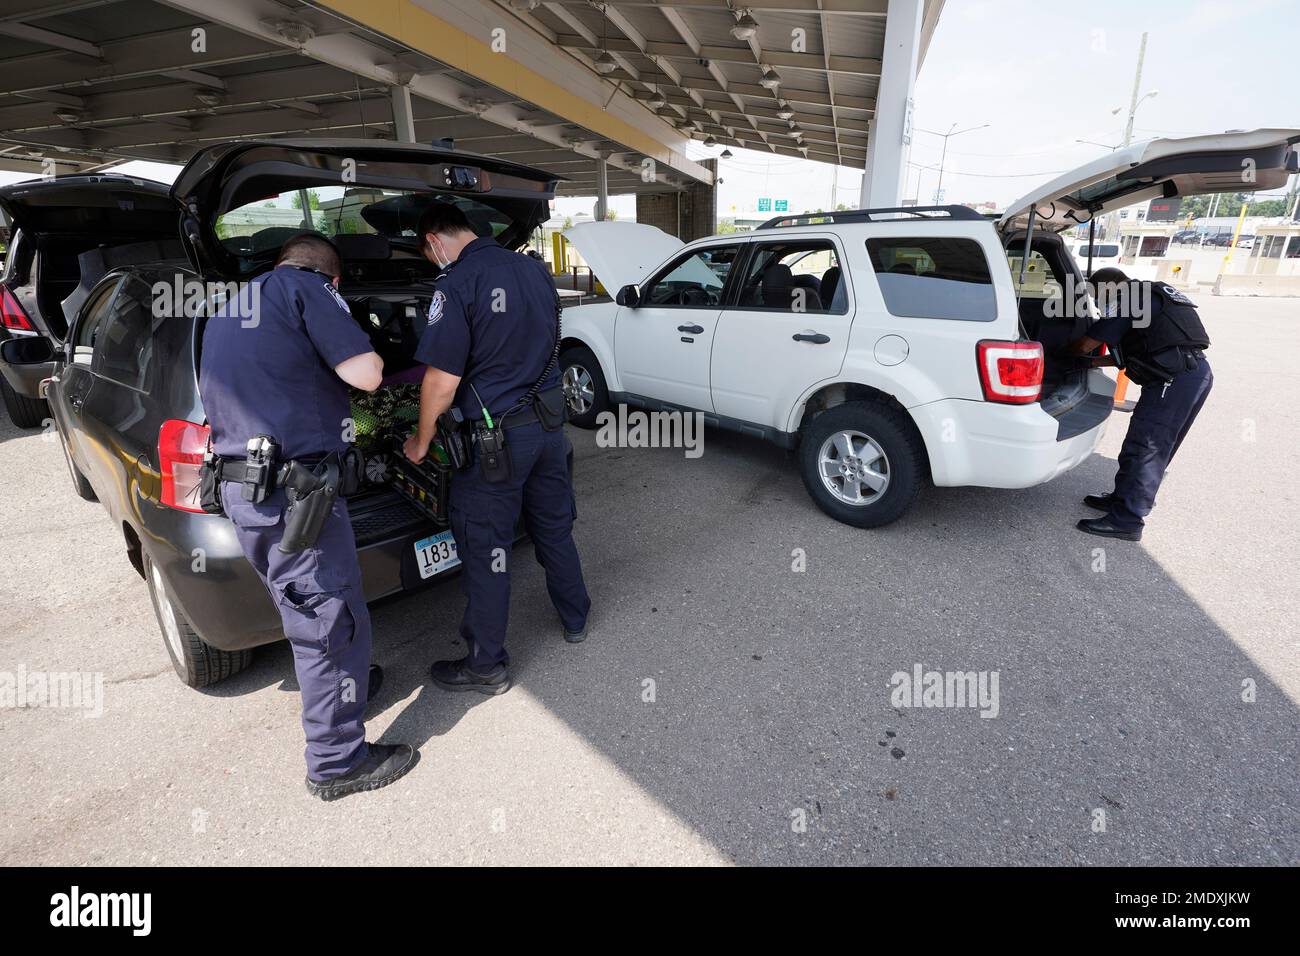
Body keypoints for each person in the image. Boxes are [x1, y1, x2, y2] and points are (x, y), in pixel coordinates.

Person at [199, 232, 417, 800]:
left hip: (245, 493)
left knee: (309, 609)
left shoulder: (231, 306)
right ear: (334, 279)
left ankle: (347, 686)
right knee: (329, 620)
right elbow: (366, 374)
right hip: (296, 496)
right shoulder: (308, 290)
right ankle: (337, 762)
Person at [403, 202, 591, 694]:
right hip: (549, 429)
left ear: (435, 242)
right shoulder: (533, 269)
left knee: (488, 551)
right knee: (554, 526)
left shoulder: (457, 283)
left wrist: (421, 441)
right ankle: (576, 618)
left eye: (427, 253)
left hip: (497, 444)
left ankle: (485, 666)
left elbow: (441, 382)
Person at [1071, 266, 1213, 541]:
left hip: (1175, 378)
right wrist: (1090, 363)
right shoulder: (1146, 296)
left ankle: (1127, 520)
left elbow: (1088, 343)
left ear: (1109, 288)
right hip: (1186, 373)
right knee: (1139, 443)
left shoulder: (1130, 299)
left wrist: (1063, 353)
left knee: (1148, 447)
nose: (1099, 304)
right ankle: (1121, 499)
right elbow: (1133, 352)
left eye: (1098, 296)